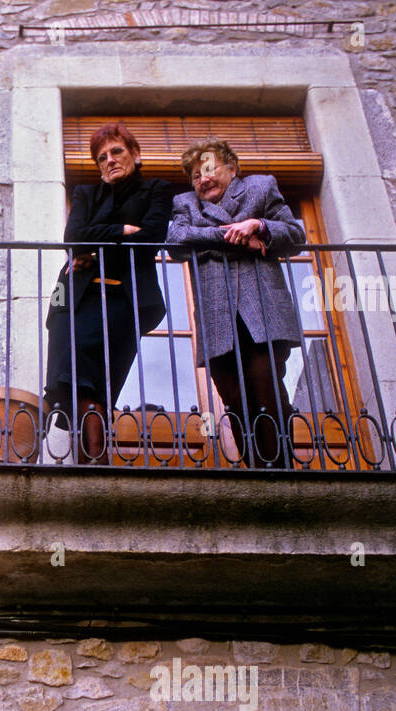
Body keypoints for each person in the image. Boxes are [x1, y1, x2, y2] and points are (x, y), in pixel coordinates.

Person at [168, 138, 306, 469]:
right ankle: (258, 470)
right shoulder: (184, 203)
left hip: (262, 307)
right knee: (233, 399)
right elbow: (176, 241)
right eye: (195, 176)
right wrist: (238, 239)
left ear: (232, 168)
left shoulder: (260, 187)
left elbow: (295, 235)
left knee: (266, 390)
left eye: (208, 169)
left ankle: (281, 473)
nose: (202, 180)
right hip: (217, 315)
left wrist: (259, 225)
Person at [43, 123, 172, 464]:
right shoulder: (86, 193)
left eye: (117, 151)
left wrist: (96, 247)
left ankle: (95, 463)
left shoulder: (157, 189)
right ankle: (93, 462)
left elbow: (151, 238)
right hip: (71, 298)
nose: (110, 160)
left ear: (135, 154)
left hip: (121, 299)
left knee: (95, 383)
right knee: (69, 382)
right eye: (102, 157)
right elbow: (73, 239)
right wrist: (120, 231)